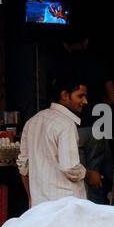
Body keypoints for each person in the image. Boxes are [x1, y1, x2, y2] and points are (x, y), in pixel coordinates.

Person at [17, 71, 102, 205]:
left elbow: (23, 167)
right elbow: (70, 168)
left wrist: (32, 199)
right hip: (65, 206)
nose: (85, 101)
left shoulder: (33, 121)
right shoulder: (66, 124)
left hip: (40, 206)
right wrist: (89, 175)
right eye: (80, 96)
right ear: (64, 95)